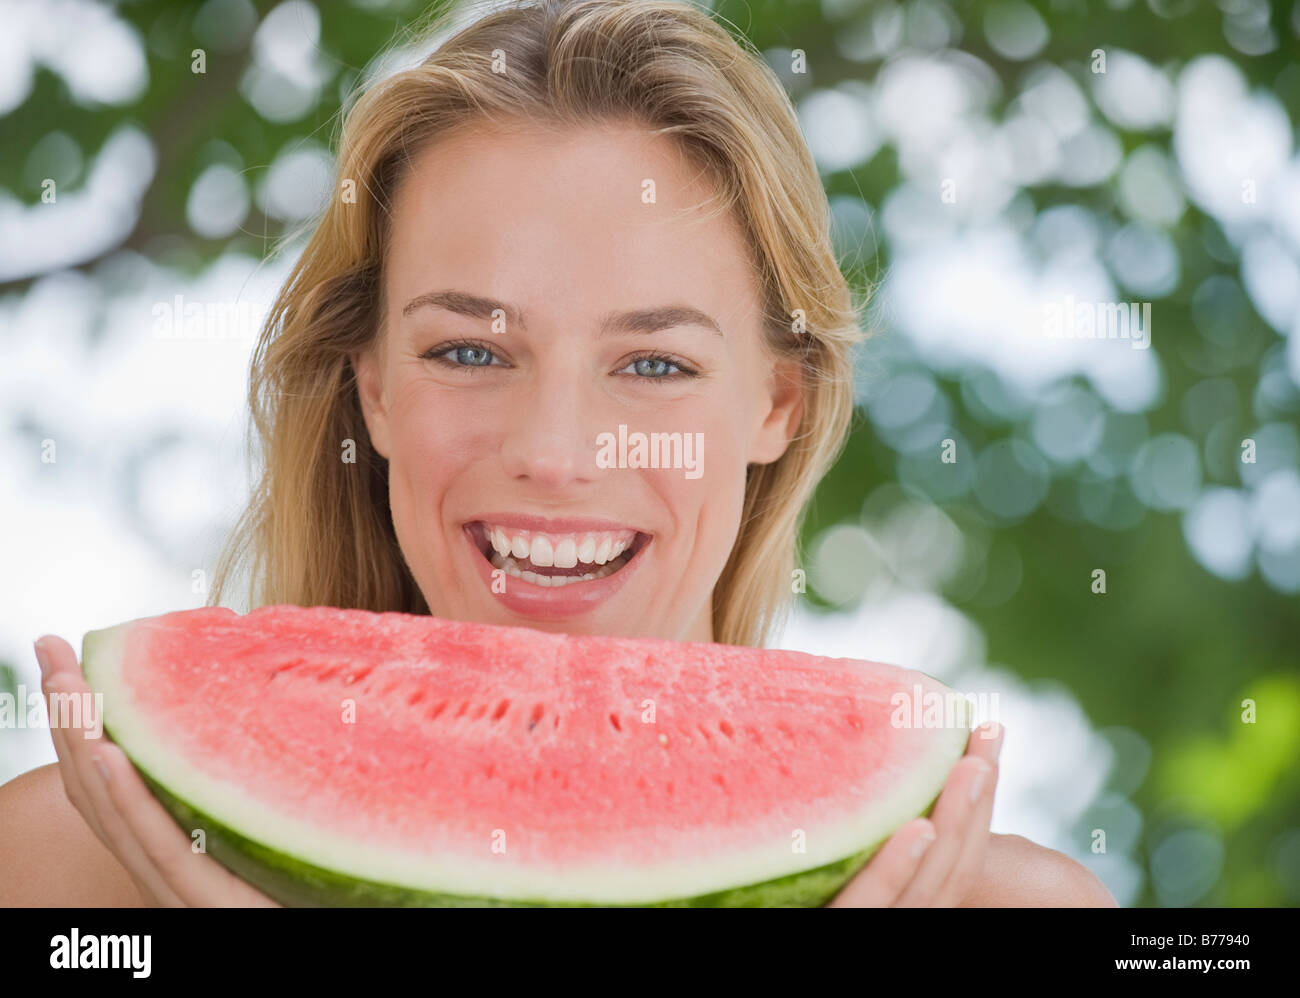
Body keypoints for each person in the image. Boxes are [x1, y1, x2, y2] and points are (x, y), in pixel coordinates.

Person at [2, 0, 1116, 907]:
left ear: (779, 400)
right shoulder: (64, 872)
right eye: (471, 351)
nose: (554, 452)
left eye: (654, 364)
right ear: (374, 389)